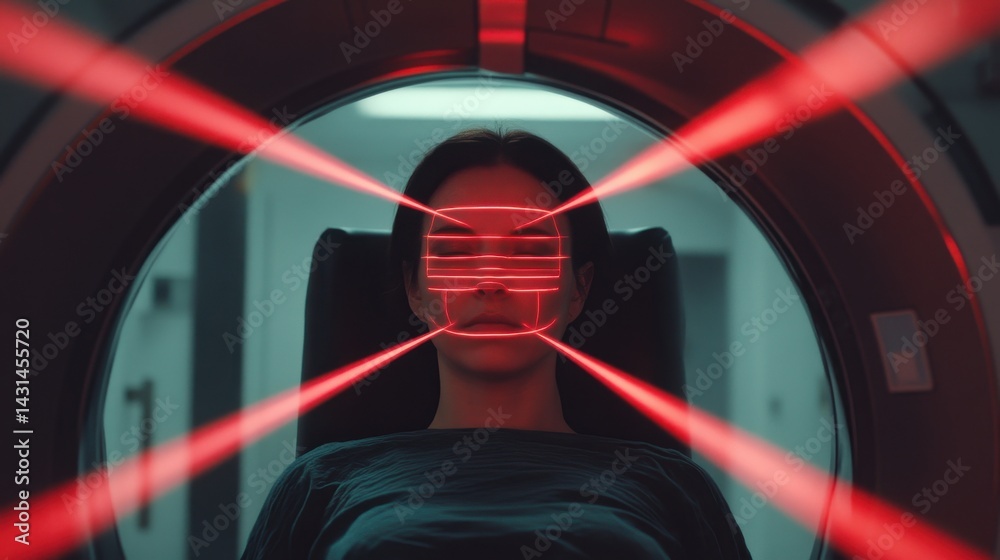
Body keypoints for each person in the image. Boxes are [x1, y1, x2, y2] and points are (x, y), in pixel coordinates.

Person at [240, 128, 753, 559]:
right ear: (416, 292)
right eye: (456, 253)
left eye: (529, 253)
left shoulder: (673, 486)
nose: (490, 281)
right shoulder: (319, 481)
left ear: (579, 290)